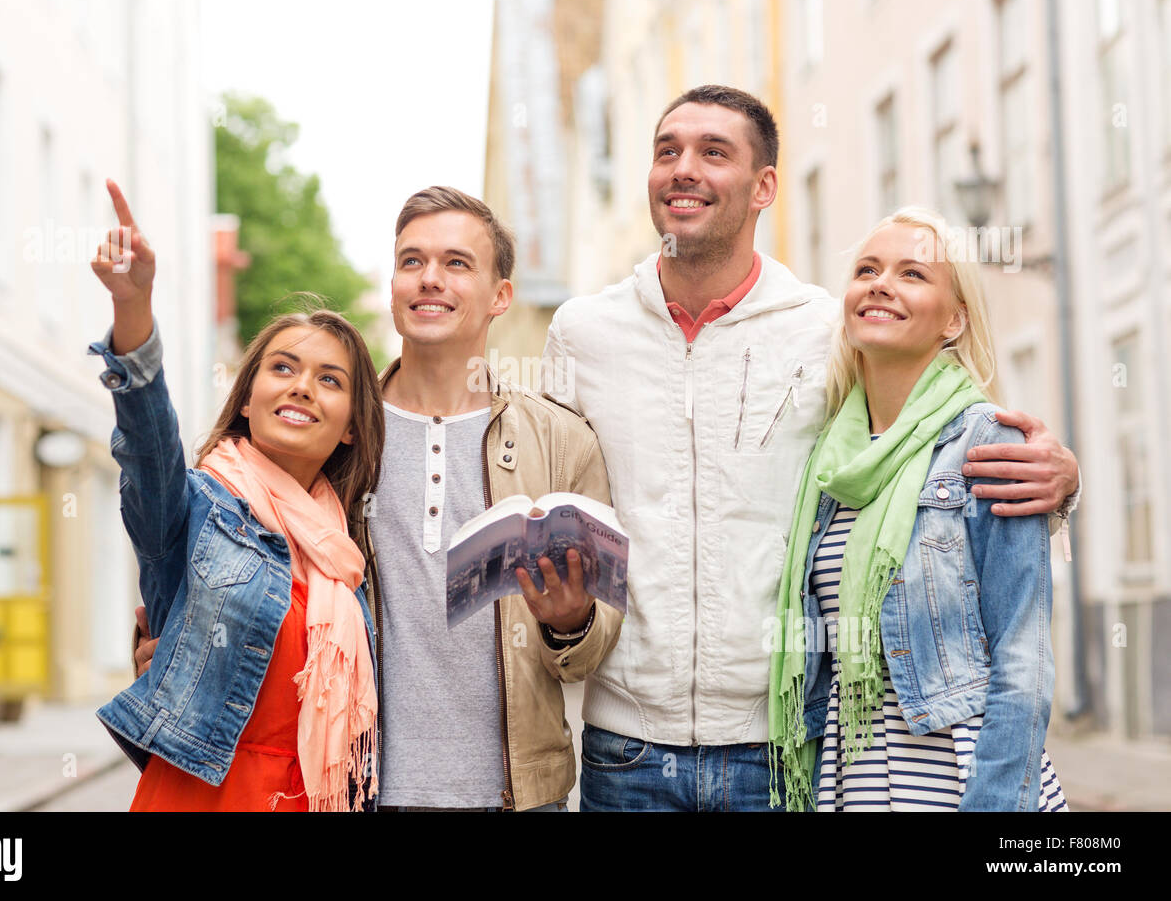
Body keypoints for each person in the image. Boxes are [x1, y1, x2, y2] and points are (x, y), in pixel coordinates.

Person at [539, 85, 1080, 811]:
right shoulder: (582, 334)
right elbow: (554, 504)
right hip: (627, 748)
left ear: (764, 187)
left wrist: (1064, 484)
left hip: (785, 748)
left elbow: (923, 437)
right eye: (667, 150)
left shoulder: (830, 330)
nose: (683, 169)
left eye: (713, 152)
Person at [135, 185, 623, 811]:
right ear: (392, 285)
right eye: (411, 261)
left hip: (519, 799)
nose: (430, 280)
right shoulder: (334, 435)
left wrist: (568, 620)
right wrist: (177, 640)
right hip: (354, 792)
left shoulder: (560, 441)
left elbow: (594, 645)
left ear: (500, 295)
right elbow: (222, 539)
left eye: (456, 263)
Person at [90, 179, 384, 812]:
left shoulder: (350, 550)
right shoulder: (193, 509)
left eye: (329, 380)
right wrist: (134, 308)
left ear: (353, 424)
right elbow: (147, 442)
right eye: (282, 368)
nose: (303, 386)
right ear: (247, 400)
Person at [768, 207, 1067, 812]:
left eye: (912, 274)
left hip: (962, 779)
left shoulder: (988, 442)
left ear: (954, 320)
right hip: (853, 778)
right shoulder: (829, 461)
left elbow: (1022, 656)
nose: (880, 283)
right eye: (867, 269)